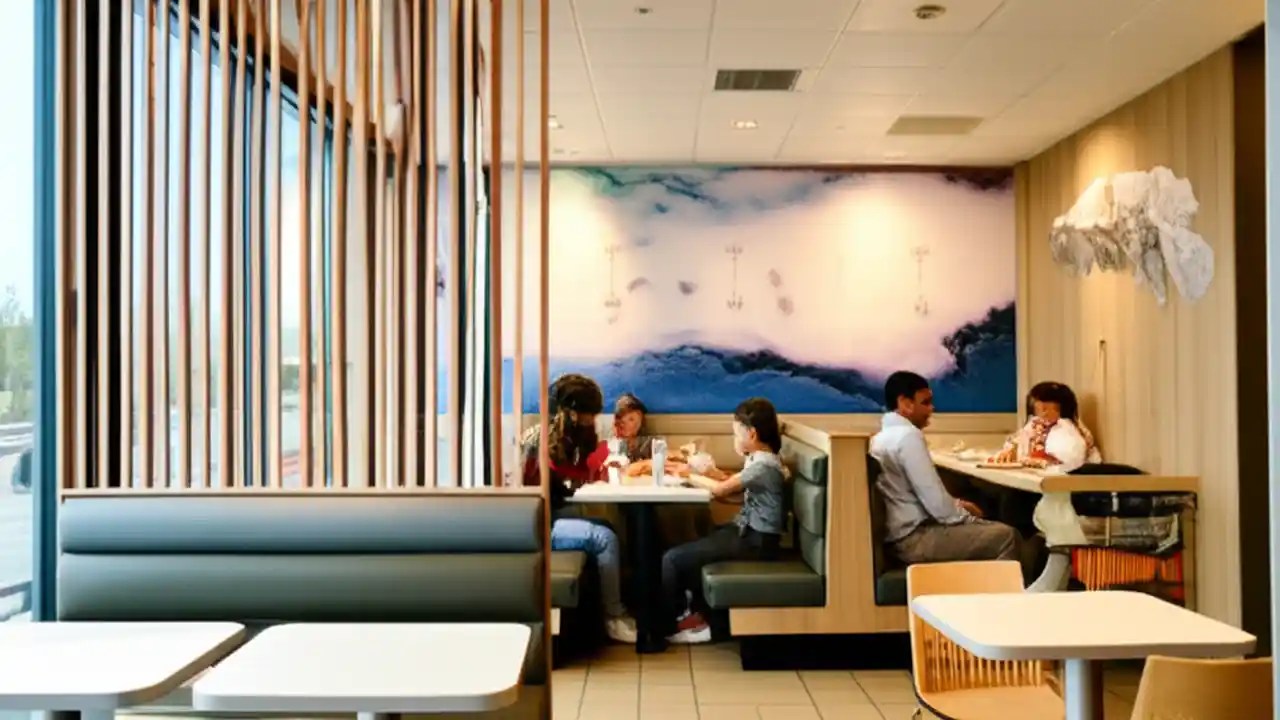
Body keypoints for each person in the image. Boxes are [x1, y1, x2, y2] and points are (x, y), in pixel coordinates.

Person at [520, 373, 637, 644]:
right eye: (590, 413)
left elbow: (569, 480)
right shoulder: (538, 441)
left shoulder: (566, 438)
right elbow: (532, 491)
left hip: (550, 513)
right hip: (533, 525)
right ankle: (613, 616)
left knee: (609, 525)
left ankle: (601, 608)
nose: (594, 420)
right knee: (604, 538)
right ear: (572, 413)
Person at [659, 398, 787, 645]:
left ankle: (667, 625)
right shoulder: (762, 459)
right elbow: (736, 489)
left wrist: (689, 475)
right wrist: (707, 474)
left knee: (672, 559)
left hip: (756, 542)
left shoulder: (763, 465)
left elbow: (720, 491)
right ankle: (698, 615)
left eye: (735, 434)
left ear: (751, 434)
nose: (734, 440)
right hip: (748, 532)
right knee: (689, 542)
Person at [871, 371, 1020, 567]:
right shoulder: (908, 437)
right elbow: (939, 507)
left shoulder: (880, 438)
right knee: (1008, 536)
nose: (931, 409)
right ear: (905, 403)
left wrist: (958, 505)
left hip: (899, 538)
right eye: (925, 402)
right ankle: (1011, 596)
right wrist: (968, 517)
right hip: (914, 539)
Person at [991, 381, 1101, 472]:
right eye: (1037, 410)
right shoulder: (1035, 425)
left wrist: (1045, 459)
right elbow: (1016, 441)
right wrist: (1010, 451)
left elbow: (1071, 459)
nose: (1041, 414)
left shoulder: (1071, 430)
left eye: (1045, 409)